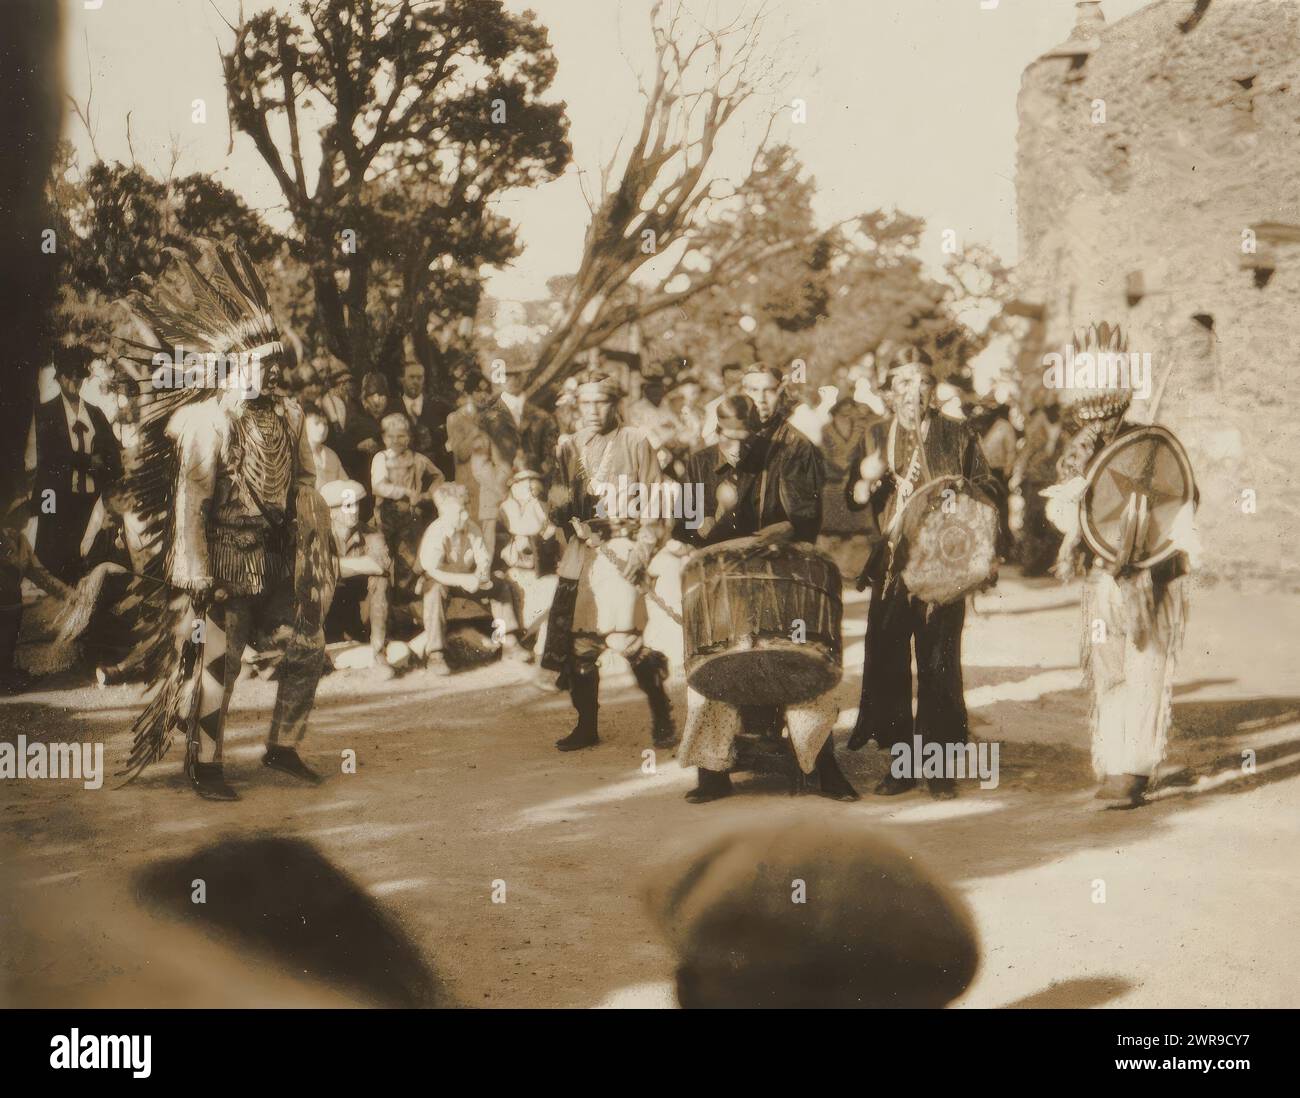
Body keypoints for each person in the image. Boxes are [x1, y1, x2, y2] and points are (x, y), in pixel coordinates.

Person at [120, 242, 335, 801]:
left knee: (307, 648)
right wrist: (193, 569)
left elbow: (307, 479)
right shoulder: (206, 421)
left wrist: (310, 524)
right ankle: (205, 765)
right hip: (223, 556)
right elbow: (192, 500)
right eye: (258, 363)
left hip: (277, 554)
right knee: (219, 662)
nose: (267, 370)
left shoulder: (289, 413)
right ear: (233, 364)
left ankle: (283, 746)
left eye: (270, 362)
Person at [674, 380, 858, 803]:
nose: (737, 450)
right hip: (721, 589)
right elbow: (683, 526)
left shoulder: (779, 459)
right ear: (716, 431)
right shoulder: (699, 465)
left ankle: (824, 767)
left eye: (745, 440)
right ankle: (711, 773)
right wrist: (700, 524)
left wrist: (789, 526)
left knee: (803, 666)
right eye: (729, 439)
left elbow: (804, 515)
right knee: (711, 673)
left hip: (776, 578)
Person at [1044, 323, 1196, 808]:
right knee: (1109, 672)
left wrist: (1145, 521)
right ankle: (1114, 764)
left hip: (1151, 578)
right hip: (1100, 577)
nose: (1098, 421)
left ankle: (1134, 769)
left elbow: (1184, 500)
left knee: (1146, 669)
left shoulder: (1153, 441)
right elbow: (1068, 514)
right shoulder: (1076, 454)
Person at [844, 347, 1000, 799]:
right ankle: (901, 764)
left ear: (934, 391)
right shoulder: (874, 434)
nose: (914, 392)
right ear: (890, 394)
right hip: (893, 568)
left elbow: (989, 487)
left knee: (939, 665)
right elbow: (848, 500)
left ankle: (938, 766)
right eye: (904, 385)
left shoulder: (957, 433)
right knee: (891, 667)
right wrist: (865, 480)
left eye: (924, 383)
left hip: (943, 570)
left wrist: (963, 495)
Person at [542, 370, 676, 752]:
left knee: (622, 637)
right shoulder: (569, 445)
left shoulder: (635, 441)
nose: (592, 410)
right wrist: (566, 517)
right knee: (581, 643)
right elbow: (560, 503)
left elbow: (655, 498)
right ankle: (587, 725)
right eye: (584, 402)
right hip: (583, 551)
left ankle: (662, 711)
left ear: (615, 403)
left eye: (601, 401)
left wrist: (642, 549)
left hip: (622, 544)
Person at [26, 344, 122, 584]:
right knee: (55, 558)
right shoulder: (46, 414)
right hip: (57, 497)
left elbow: (113, 454)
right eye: (69, 375)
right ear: (59, 377)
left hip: (89, 500)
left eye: (79, 375)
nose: (75, 381)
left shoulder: (95, 414)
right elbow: (47, 456)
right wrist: (88, 461)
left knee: (87, 561)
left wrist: (104, 467)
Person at [417, 481, 522, 675]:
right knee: (433, 591)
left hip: (468, 579)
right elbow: (431, 569)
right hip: (442, 579)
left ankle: (508, 641)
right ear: (444, 512)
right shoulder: (436, 532)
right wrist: (461, 581)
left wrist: (480, 576)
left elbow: (483, 559)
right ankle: (435, 653)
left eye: (466, 508)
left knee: (500, 585)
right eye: (459, 512)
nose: (465, 515)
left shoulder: (471, 527)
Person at [320, 478, 393, 678]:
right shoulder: (317, 536)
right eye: (346, 506)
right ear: (331, 512)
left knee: (381, 582)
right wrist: (360, 564)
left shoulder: (372, 534)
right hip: (327, 606)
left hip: (359, 606)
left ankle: (378, 654)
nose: (353, 510)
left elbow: (380, 566)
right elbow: (313, 568)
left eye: (356, 505)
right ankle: (311, 656)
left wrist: (334, 565)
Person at [371, 412, 443, 609]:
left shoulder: (418, 459)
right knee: (384, 561)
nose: (396, 440)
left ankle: (406, 610)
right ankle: (383, 609)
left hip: (411, 520)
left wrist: (428, 495)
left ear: (409, 437)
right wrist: (405, 491)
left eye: (401, 435)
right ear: (384, 437)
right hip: (385, 518)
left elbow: (439, 476)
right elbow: (378, 486)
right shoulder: (381, 458)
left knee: (408, 563)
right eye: (391, 436)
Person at [477, 359, 560, 490]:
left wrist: (537, 482)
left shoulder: (543, 417)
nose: (512, 380)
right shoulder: (485, 419)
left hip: (536, 492)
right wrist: (501, 487)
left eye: (517, 375)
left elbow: (551, 456)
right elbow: (480, 462)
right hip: (498, 496)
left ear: (524, 376)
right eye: (506, 375)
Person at [398, 359, 454, 481]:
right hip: (403, 479)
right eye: (411, 377)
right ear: (402, 379)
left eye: (420, 378)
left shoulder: (440, 407)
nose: (416, 382)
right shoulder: (392, 408)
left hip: (437, 476)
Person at [304, 404, 345, 489]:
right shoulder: (295, 456)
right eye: (317, 423)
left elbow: (345, 483)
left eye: (325, 424)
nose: (322, 428)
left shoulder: (331, 455)